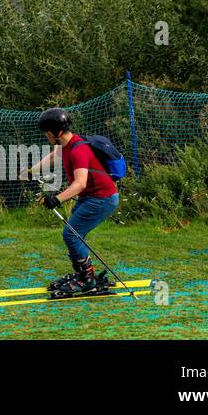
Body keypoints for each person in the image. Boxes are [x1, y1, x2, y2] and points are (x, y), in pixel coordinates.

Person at [27, 107, 119, 296]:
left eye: (46, 132)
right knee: (75, 235)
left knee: (71, 234)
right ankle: (84, 274)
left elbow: (80, 183)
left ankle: (87, 280)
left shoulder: (79, 150)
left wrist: (57, 199)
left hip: (102, 199)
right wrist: (31, 171)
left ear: (56, 132)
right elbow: (54, 156)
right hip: (91, 197)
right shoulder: (67, 145)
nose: (46, 136)